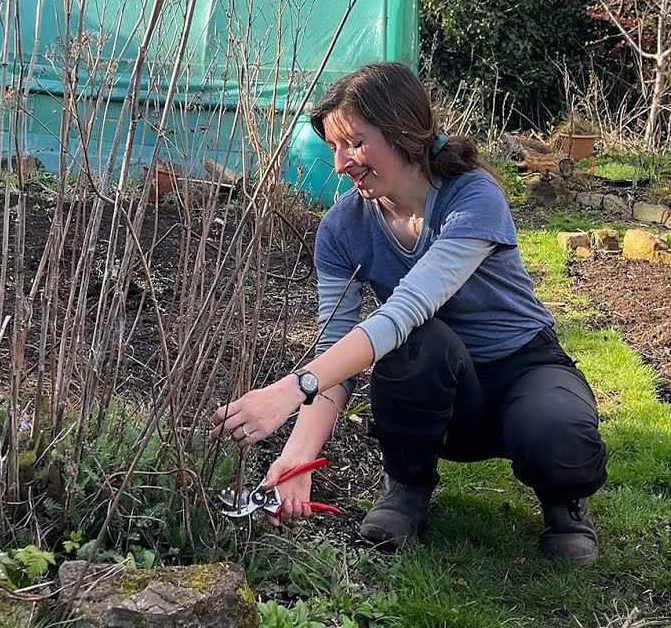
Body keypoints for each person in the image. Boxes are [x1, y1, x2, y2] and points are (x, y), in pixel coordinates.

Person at [209, 62, 608, 564]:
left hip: (522, 366)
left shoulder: (473, 197)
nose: (339, 163)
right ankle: (407, 487)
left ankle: (563, 502)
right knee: (417, 345)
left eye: (353, 142)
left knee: (554, 434)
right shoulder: (341, 230)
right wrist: (297, 458)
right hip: (444, 386)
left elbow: (407, 306)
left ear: (401, 131)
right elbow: (336, 352)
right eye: (333, 147)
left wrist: (292, 388)